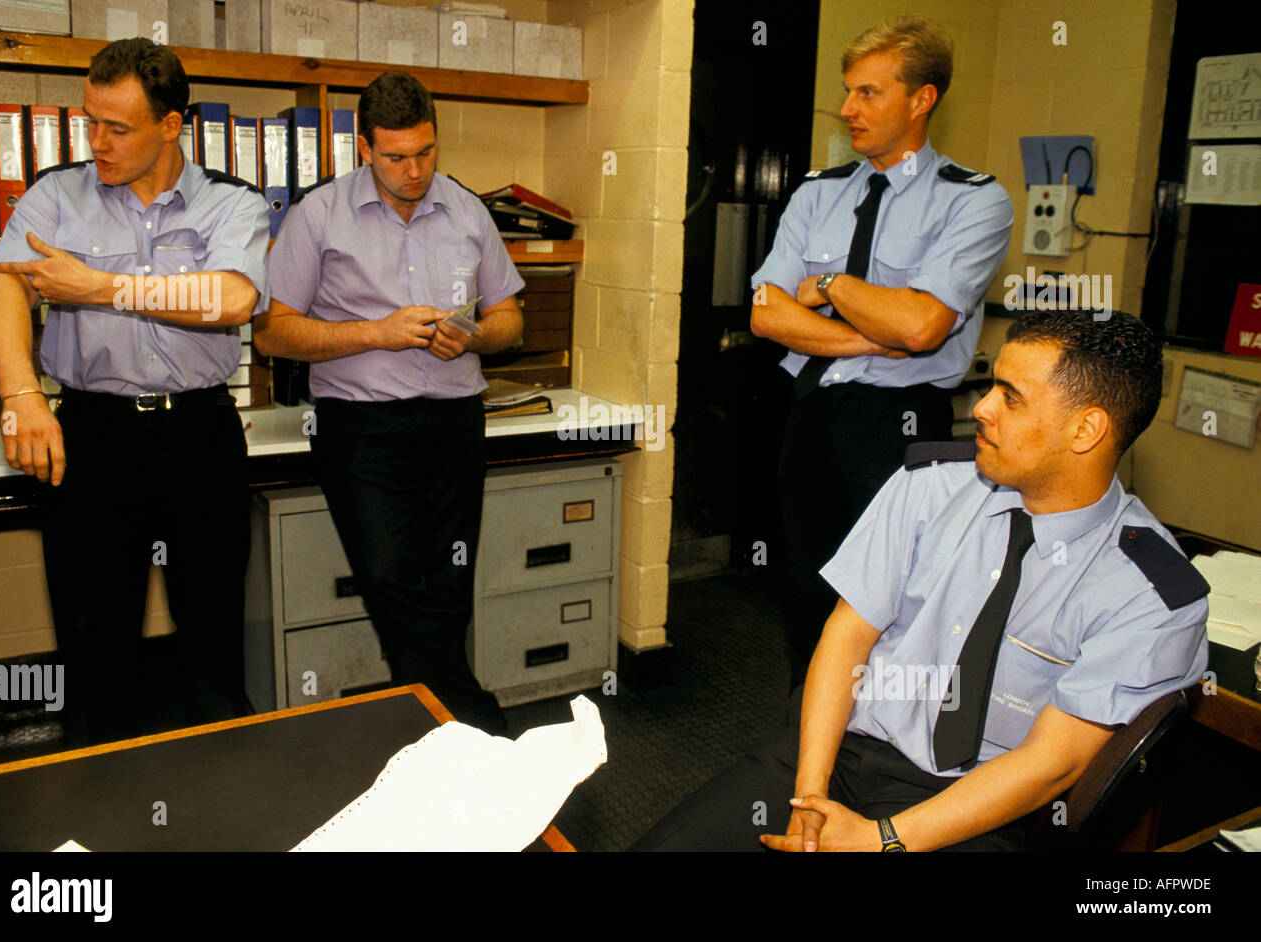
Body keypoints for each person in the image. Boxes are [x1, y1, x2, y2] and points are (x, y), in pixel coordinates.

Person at [632, 310, 1209, 851]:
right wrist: (810, 794)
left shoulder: (1150, 594)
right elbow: (847, 635)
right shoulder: (929, 486)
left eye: (1011, 398)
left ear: (1085, 430)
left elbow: (1050, 764)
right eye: (993, 387)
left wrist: (880, 839)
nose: (982, 408)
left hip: (975, 806)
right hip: (844, 753)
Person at [0, 38, 269, 746]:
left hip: (198, 435)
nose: (97, 142)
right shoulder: (55, 194)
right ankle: (95, 815)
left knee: (212, 644)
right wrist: (21, 396)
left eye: (118, 127)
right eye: (90, 122)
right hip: (94, 439)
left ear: (172, 125)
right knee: (93, 647)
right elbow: (0, 286)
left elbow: (232, 298)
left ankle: (228, 806)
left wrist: (100, 287)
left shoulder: (233, 202)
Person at [255, 72, 522, 736]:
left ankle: (435, 734)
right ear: (364, 148)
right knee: (391, 582)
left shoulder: (467, 210)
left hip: (453, 422)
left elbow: (512, 321)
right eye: (397, 156)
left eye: (426, 153)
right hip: (361, 427)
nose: (414, 171)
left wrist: (473, 336)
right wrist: (378, 331)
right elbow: (272, 330)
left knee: (448, 589)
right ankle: (477, 725)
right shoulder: (318, 215)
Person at [749, 16, 1014, 682]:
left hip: (898, 423)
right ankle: (804, 736)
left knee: (890, 600)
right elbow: (764, 311)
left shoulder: (973, 202)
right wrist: (868, 334)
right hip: (812, 409)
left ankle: (880, 752)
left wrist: (831, 284)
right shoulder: (817, 192)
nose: (847, 110)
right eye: (847, 92)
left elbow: (924, 328)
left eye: (868, 93)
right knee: (808, 588)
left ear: (922, 98)